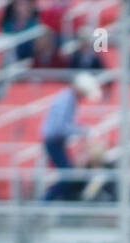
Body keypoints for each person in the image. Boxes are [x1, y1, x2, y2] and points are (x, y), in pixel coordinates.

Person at [40, 73, 103, 201]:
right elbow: (60, 127)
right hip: (54, 141)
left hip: (56, 141)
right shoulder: (67, 99)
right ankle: (44, 203)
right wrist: (82, 131)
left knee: (68, 176)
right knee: (67, 176)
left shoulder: (68, 98)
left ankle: (48, 202)